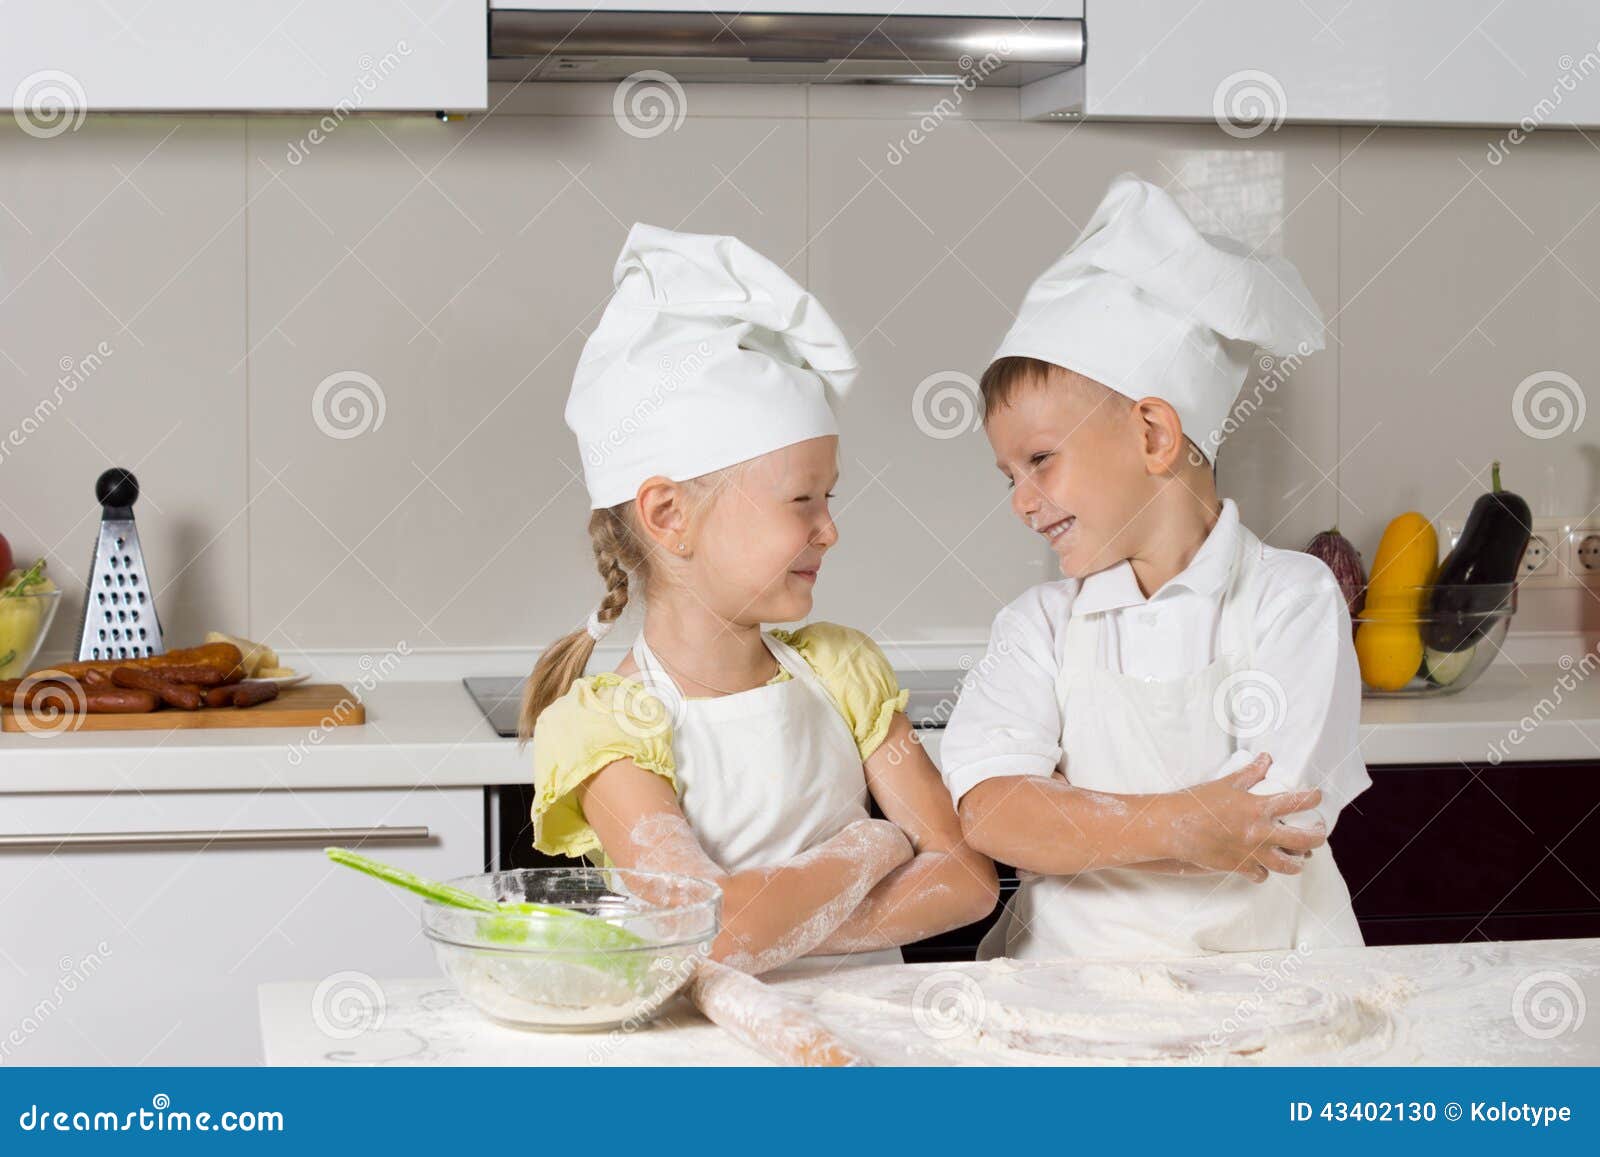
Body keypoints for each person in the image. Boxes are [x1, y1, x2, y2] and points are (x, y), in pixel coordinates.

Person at [521, 224, 998, 975]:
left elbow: (967, 881)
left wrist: (767, 922)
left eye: (829, 496)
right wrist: (869, 845)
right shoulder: (608, 727)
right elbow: (703, 931)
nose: (830, 529)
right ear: (670, 516)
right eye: (801, 500)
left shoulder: (844, 670)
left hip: (878, 1041)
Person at [942, 175, 1370, 961]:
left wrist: (1080, 819)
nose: (1022, 500)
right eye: (1009, 475)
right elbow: (992, 809)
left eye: (1040, 460)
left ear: (1152, 434)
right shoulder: (1039, 625)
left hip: (1268, 997)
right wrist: (1178, 822)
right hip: (1067, 997)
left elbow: (1266, 822)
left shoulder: (1292, 599)